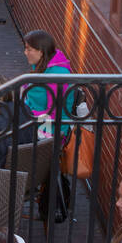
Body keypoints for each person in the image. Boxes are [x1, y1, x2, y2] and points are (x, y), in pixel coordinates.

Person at [21, 29, 76, 221]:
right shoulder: (45, 67)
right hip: (35, 123)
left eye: (29, 49)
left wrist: (26, 115)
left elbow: (54, 115)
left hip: (49, 133)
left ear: (41, 51)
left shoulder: (57, 76)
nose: (25, 53)